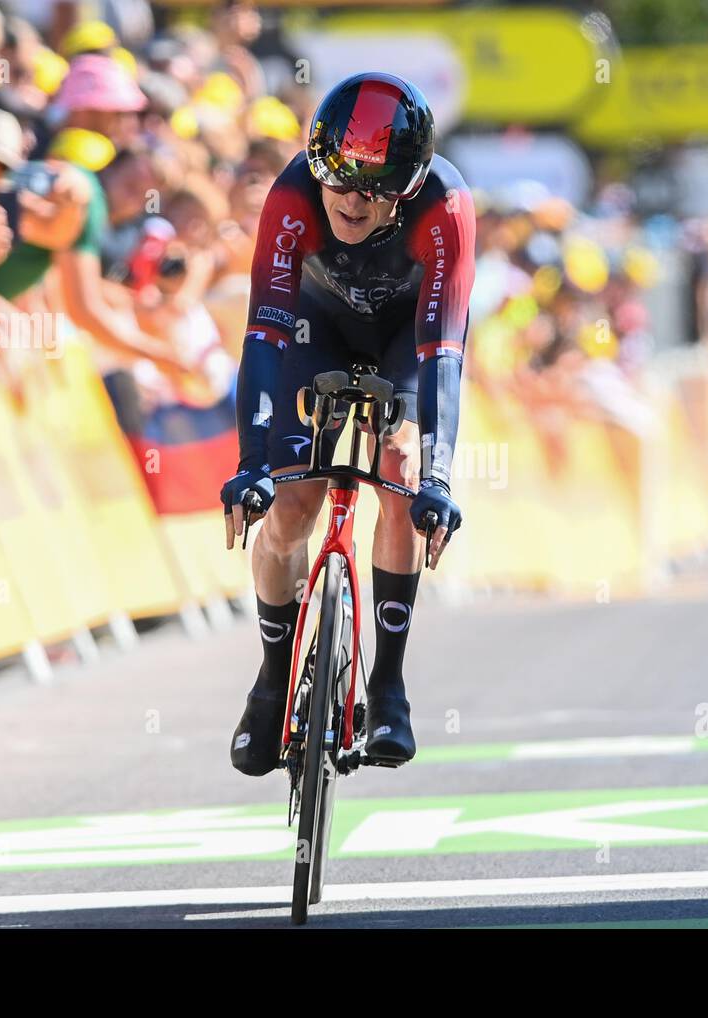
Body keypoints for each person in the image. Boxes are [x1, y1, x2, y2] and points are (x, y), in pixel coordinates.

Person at [220, 72, 474, 775]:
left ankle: (386, 685)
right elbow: (263, 336)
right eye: (337, 179)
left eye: (373, 187)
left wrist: (439, 477)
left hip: (406, 335)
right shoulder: (292, 194)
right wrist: (250, 464)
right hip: (313, 328)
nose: (352, 200)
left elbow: (443, 351)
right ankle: (273, 680)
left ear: (409, 186)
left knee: (400, 472)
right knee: (291, 503)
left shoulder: (445, 206)